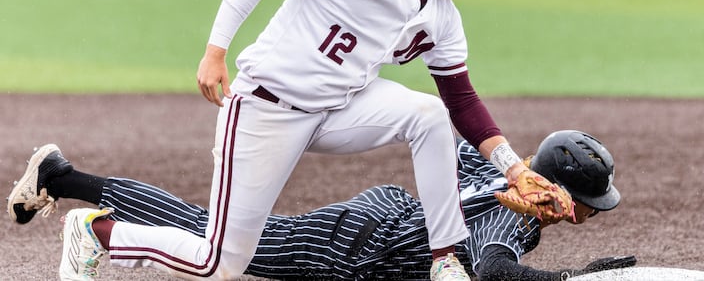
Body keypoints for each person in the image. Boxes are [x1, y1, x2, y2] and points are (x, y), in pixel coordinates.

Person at [35, 0, 557, 281]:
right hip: (267, 109)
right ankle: (95, 233)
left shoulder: (442, 17)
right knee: (221, 262)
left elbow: (461, 99)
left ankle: (444, 258)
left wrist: (513, 167)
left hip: (339, 109)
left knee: (427, 116)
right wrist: (215, 51)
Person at [8, 130, 635, 280]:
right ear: (554, 192)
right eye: (583, 203)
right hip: (362, 239)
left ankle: (66, 180)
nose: (586, 213)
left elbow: (453, 133)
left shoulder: (497, 172)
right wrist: (575, 277)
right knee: (220, 240)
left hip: (385, 222)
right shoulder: (513, 218)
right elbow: (496, 270)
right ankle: (82, 208)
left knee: (218, 232)